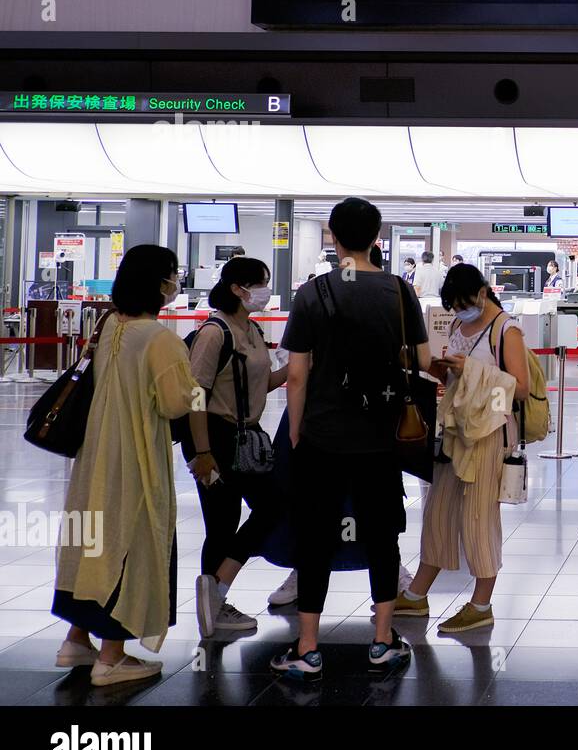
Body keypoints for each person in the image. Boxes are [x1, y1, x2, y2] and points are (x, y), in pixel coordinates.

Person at [271, 197, 427, 680]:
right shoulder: (400, 292)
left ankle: (308, 647)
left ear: (333, 237)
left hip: (321, 436)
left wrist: (297, 427)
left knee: (314, 538)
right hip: (381, 438)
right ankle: (382, 640)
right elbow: (420, 360)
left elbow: (296, 374)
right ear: (377, 237)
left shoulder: (312, 293)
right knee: (382, 535)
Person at [51, 245, 199, 686]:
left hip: (94, 455)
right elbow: (176, 403)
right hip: (134, 462)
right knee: (126, 544)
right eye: (172, 275)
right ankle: (111, 657)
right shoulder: (161, 339)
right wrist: (202, 390)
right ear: (158, 284)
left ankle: (76, 639)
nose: (175, 283)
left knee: (89, 541)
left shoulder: (109, 324)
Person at [393, 264, 530, 633]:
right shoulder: (457, 325)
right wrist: (446, 371)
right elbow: (459, 378)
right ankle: (418, 594)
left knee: (478, 517)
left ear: (483, 293)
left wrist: (471, 370)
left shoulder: (506, 330)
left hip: (490, 434)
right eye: (453, 305)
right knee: (438, 511)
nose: (459, 311)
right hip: (454, 431)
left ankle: (481, 603)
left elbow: (518, 388)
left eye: (464, 303)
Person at [185, 257, 288, 639]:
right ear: (236, 288)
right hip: (215, 436)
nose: (264, 291)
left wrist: (296, 371)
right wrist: (203, 452)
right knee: (222, 522)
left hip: (246, 435)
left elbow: (259, 385)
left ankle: (216, 591)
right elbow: (196, 395)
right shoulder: (215, 332)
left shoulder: (252, 329)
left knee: (271, 507)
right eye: (259, 283)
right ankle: (213, 602)